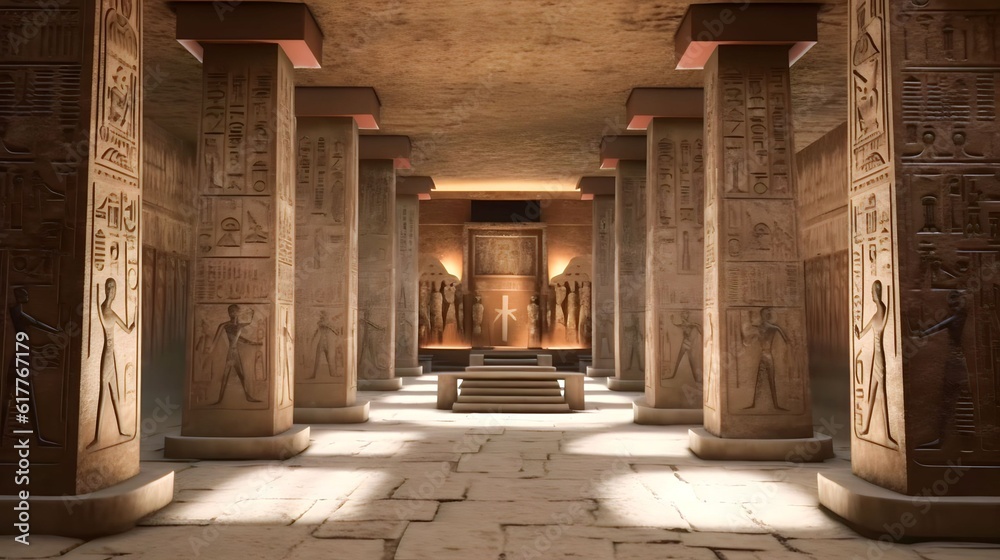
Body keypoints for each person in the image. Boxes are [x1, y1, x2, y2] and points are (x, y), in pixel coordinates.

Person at [4, 287, 61, 446]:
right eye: (24, 293)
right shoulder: (19, 314)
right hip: (21, 358)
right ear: (18, 296)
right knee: (26, 396)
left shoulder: (17, 313)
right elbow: (37, 323)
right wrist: (56, 330)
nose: (27, 295)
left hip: (21, 355)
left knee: (11, 395)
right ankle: (38, 438)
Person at [89, 279, 136, 448]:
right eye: (109, 288)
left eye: (113, 288)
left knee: (114, 393)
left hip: (112, 355)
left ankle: (121, 430)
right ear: (105, 290)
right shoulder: (102, 310)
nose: (111, 292)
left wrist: (135, 316)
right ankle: (97, 437)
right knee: (104, 392)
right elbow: (101, 321)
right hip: (106, 355)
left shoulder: (111, 312)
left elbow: (128, 330)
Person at [855, 280, 897, 445]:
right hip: (875, 357)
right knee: (872, 393)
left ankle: (887, 434)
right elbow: (861, 335)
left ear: (876, 294)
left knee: (882, 394)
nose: (872, 295)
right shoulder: (876, 315)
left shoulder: (881, 310)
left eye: (873, 292)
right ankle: (866, 428)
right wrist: (857, 330)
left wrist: (882, 297)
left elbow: (884, 308)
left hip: (880, 357)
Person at [210, 304, 262, 405]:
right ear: (230, 313)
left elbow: (240, 339)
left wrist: (254, 343)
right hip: (231, 353)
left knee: (241, 375)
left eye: (236, 311)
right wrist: (210, 350)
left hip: (235, 353)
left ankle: (247, 397)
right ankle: (219, 399)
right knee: (226, 376)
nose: (234, 314)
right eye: (232, 312)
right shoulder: (225, 325)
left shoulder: (239, 326)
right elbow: (215, 340)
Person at [743, 307, 789, 411]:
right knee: (765, 379)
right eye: (767, 314)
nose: (767, 315)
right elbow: (787, 340)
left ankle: (772, 404)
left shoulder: (762, 328)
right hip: (767, 355)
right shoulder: (772, 328)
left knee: (765, 379)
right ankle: (766, 404)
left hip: (766, 355)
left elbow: (747, 342)